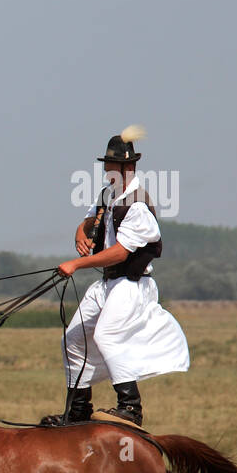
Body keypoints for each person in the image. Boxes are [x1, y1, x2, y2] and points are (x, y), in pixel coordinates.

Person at [41, 125, 190, 427]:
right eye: (106, 165)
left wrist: (75, 264)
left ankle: (130, 407)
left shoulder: (137, 203)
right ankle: (79, 410)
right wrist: (80, 236)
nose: (107, 169)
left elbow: (121, 253)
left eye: (112, 165)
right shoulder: (108, 195)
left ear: (128, 166)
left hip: (131, 284)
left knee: (107, 336)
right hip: (107, 283)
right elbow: (86, 221)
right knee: (72, 339)